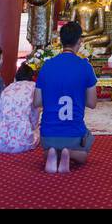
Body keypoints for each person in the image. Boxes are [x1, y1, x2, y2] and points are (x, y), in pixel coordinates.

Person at [34, 20, 98, 174]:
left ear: (60, 41)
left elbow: (37, 101)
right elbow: (92, 103)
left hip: (48, 135)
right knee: (83, 154)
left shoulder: (46, 66)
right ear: (80, 41)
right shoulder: (85, 66)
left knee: (48, 147)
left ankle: (53, 153)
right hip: (73, 135)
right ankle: (69, 153)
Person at [0, 64, 40, 153]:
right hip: (24, 141)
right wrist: (35, 129)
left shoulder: (7, 88)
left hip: (1, 142)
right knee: (40, 130)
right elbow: (35, 117)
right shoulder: (34, 87)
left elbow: (1, 115)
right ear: (31, 77)